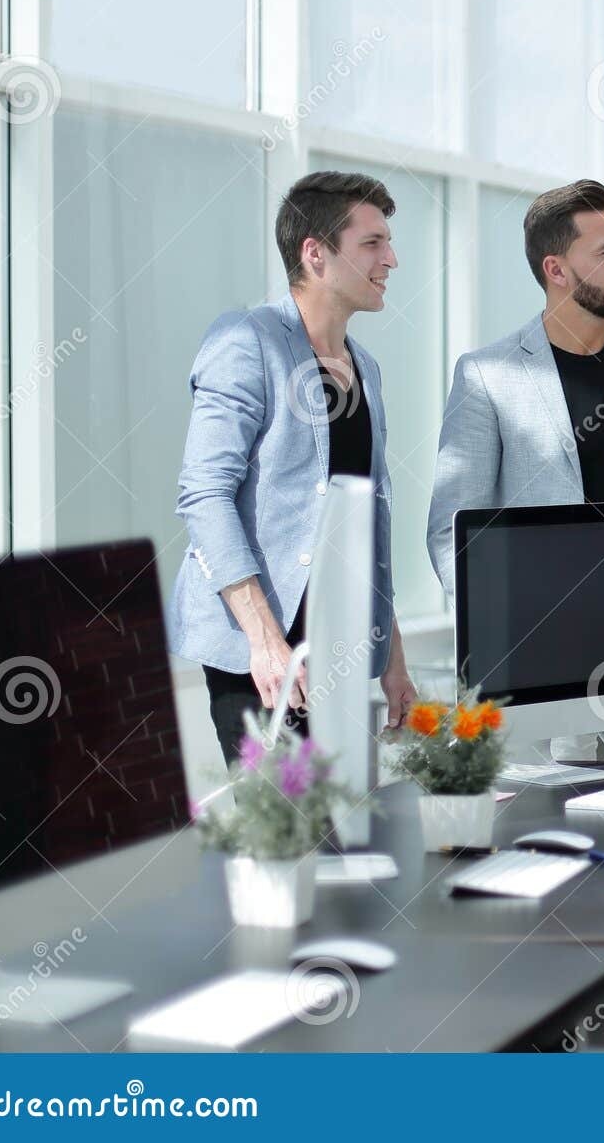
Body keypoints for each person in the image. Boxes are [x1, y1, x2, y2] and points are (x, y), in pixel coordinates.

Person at [426, 179, 604, 761]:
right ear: (556, 269)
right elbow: (450, 530)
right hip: (544, 668)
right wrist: (502, 639)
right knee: (554, 831)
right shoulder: (488, 375)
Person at [170, 171, 418, 763]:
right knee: (283, 835)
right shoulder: (246, 340)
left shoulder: (367, 368)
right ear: (316, 254)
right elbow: (205, 494)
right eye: (372, 243)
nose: (392, 258)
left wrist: (393, 659)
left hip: (335, 651)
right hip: (258, 654)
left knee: (345, 836)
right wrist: (265, 641)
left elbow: (366, 523)